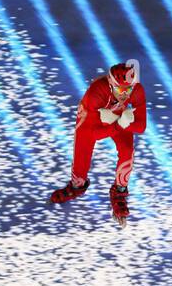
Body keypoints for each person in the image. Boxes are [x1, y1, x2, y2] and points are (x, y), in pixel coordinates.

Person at [50, 62, 147, 223]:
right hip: (92, 116)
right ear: (111, 85)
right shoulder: (96, 92)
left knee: (127, 151)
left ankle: (120, 190)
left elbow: (141, 127)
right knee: (83, 146)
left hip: (116, 116)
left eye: (128, 90)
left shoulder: (136, 89)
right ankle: (77, 185)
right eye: (120, 90)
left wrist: (120, 121)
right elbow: (94, 135)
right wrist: (121, 123)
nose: (124, 95)